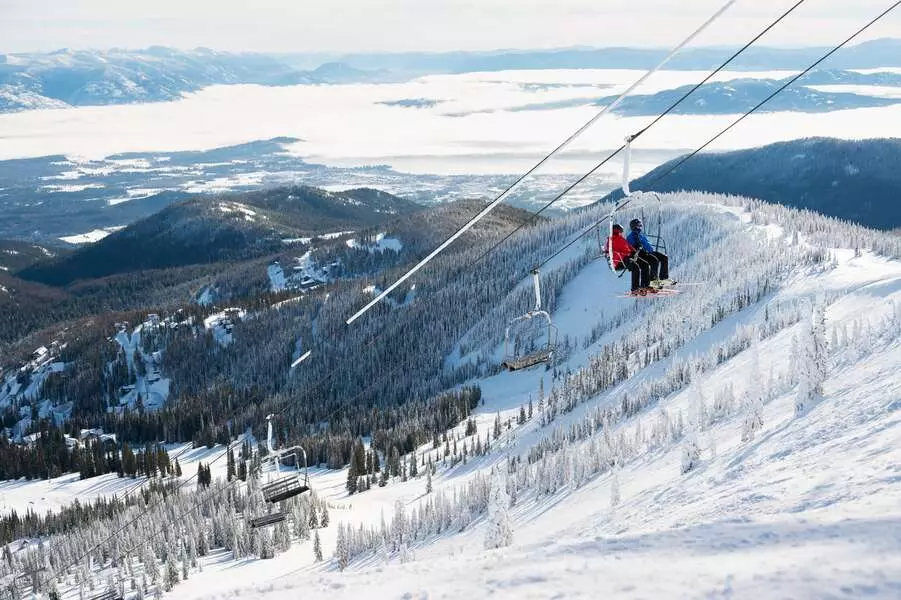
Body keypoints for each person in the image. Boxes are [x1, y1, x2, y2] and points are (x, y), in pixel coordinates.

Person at [605, 223, 656, 295]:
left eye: (621, 231)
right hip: (620, 260)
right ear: (616, 230)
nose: (621, 232)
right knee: (635, 267)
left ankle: (645, 285)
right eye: (620, 230)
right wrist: (626, 254)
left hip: (627, 257)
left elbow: (628, 246)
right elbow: (610, 251)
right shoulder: (611, 239)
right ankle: (635, 288)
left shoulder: (620, 238)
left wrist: (635, 250)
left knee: (644, 264)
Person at [626, 218, 670, 286]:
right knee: (654, 261)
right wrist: (637, 246)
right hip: (641, 254)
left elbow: (647, 244)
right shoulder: (631, 236)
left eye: (641, 225)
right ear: (634, 227)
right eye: (638, 226)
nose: (640, 227)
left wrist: (650, 250)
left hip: (649, 252)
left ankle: (663, 278)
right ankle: (653, 280)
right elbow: (631, 248)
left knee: (664, 257)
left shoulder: (640, 235)